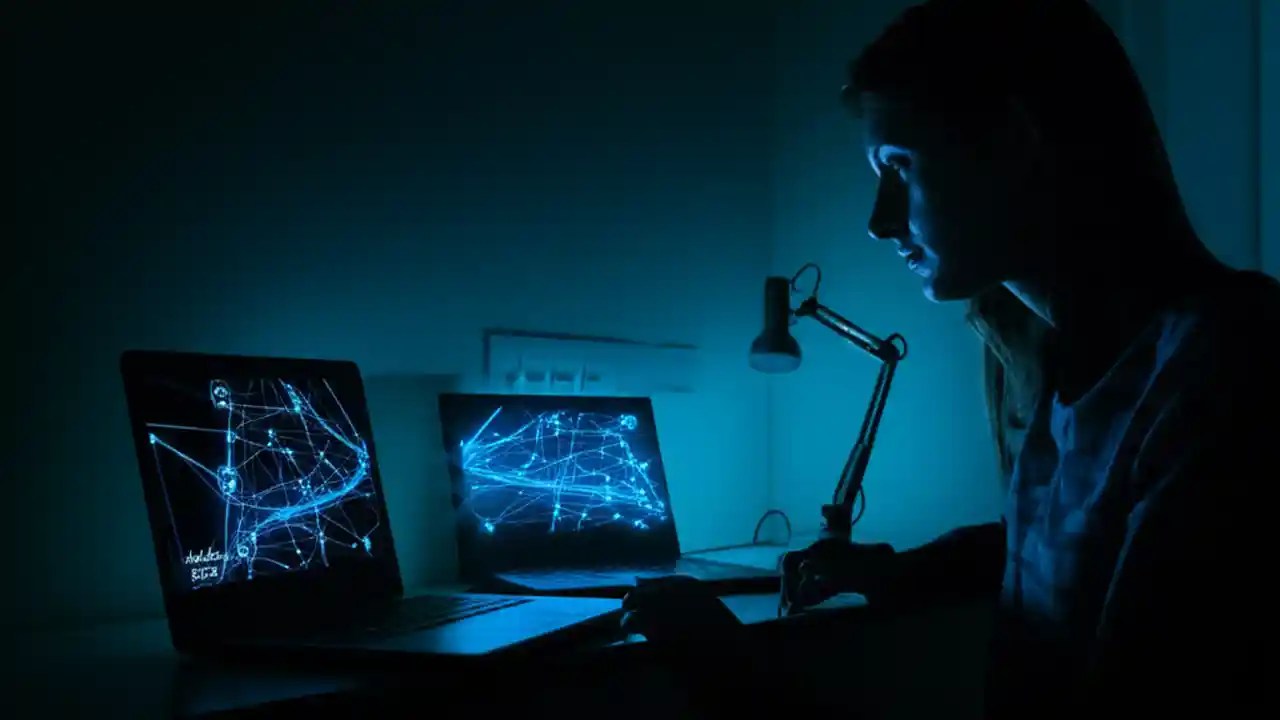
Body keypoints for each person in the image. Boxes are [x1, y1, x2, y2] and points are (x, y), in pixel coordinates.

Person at [621, 0, 1277, 716]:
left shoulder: (1227, 372)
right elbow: (1065, 546)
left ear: (1016, 143)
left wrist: (730, 668)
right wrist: (897, 573)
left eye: (899, 167)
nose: (879, 221)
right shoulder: (1068, 359)